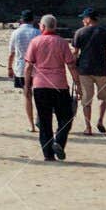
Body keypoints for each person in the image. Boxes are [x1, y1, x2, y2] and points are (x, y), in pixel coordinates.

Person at [23, 14, 78, 162]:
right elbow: (71, 65)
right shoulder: (62, 43)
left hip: (40, 85)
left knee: (45, 120)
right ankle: (59, 141)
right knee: (65, 117)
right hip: (60, 85)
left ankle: (48, 154)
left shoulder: (35, 42)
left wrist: (26, 86)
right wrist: (77, 82)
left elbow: (28, 66)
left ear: (42, 26)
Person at [71, 8, 106, 135]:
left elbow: (75, 53)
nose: (83, 20)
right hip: (102, 70)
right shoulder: (104, 32)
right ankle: (100, 121)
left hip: (84, 71)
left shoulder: (79, 33)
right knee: (104, 98)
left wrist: (73, 68)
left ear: (88, 19)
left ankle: (88, 128)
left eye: (84, 18)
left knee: (86, 101)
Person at [6, 8, 39, 132]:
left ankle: (31, 125)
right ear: (33, 20)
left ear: (21, 20)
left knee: (27, 95)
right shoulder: (37, 32)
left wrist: (9, 67)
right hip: (37, 68)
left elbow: (11, 53)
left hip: (21, 67)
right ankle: (39, 120)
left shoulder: (15, 33)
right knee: (39, 96)